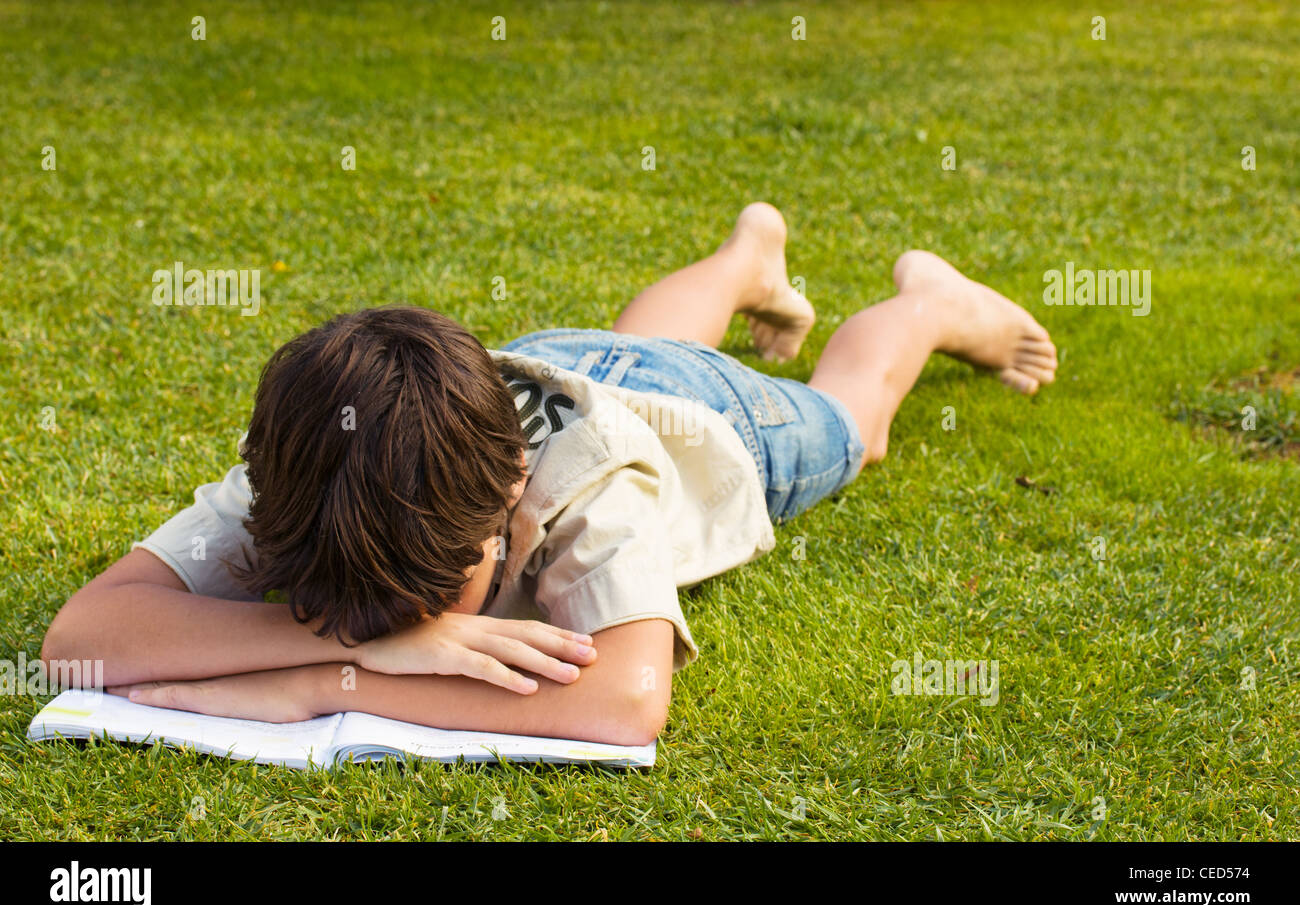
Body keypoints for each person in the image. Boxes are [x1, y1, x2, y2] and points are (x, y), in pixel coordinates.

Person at [42, 204, 1057, 746]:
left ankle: (927, 302)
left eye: (422, 604)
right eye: (346, 607)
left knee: (853, 420)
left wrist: (325, 682)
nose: (385, 627)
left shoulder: (586, 485)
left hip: (718, 425)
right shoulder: (323, 469)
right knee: (629, 343)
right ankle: (749, 252)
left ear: (509, 507)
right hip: (554, 361)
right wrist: (372, 648)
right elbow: (80, 640)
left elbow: (622, 702)